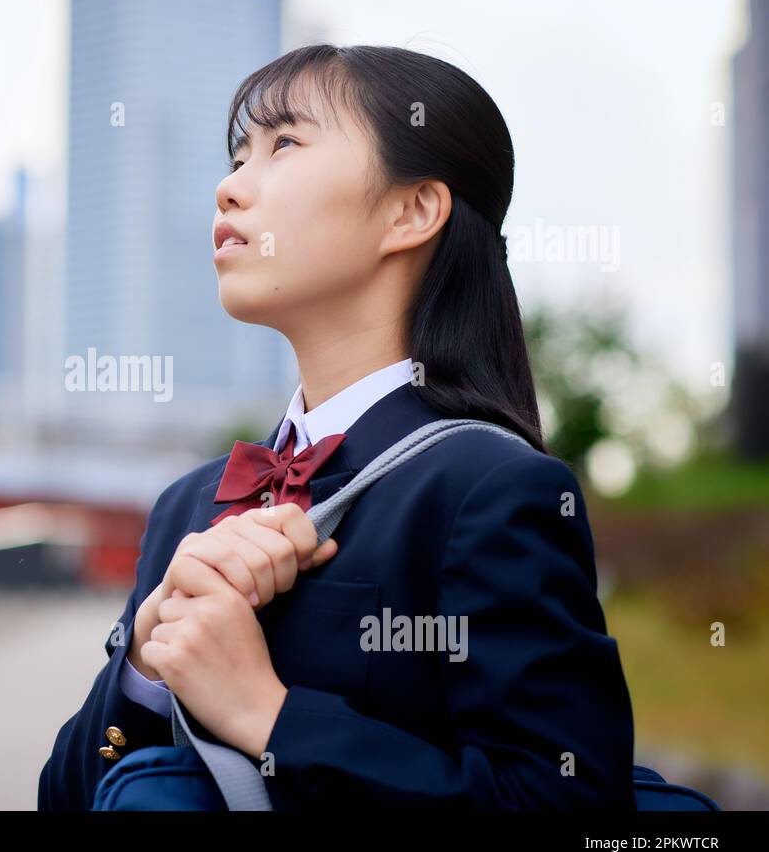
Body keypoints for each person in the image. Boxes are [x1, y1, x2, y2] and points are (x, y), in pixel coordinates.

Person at [37, 44, 636, 811]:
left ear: (412, 210)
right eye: (237, 155)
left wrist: (269, 714)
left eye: (284, 145)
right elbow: (68, 798)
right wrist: (147, 664)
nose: (228, 188)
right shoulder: (189, 507)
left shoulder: (492, 492)